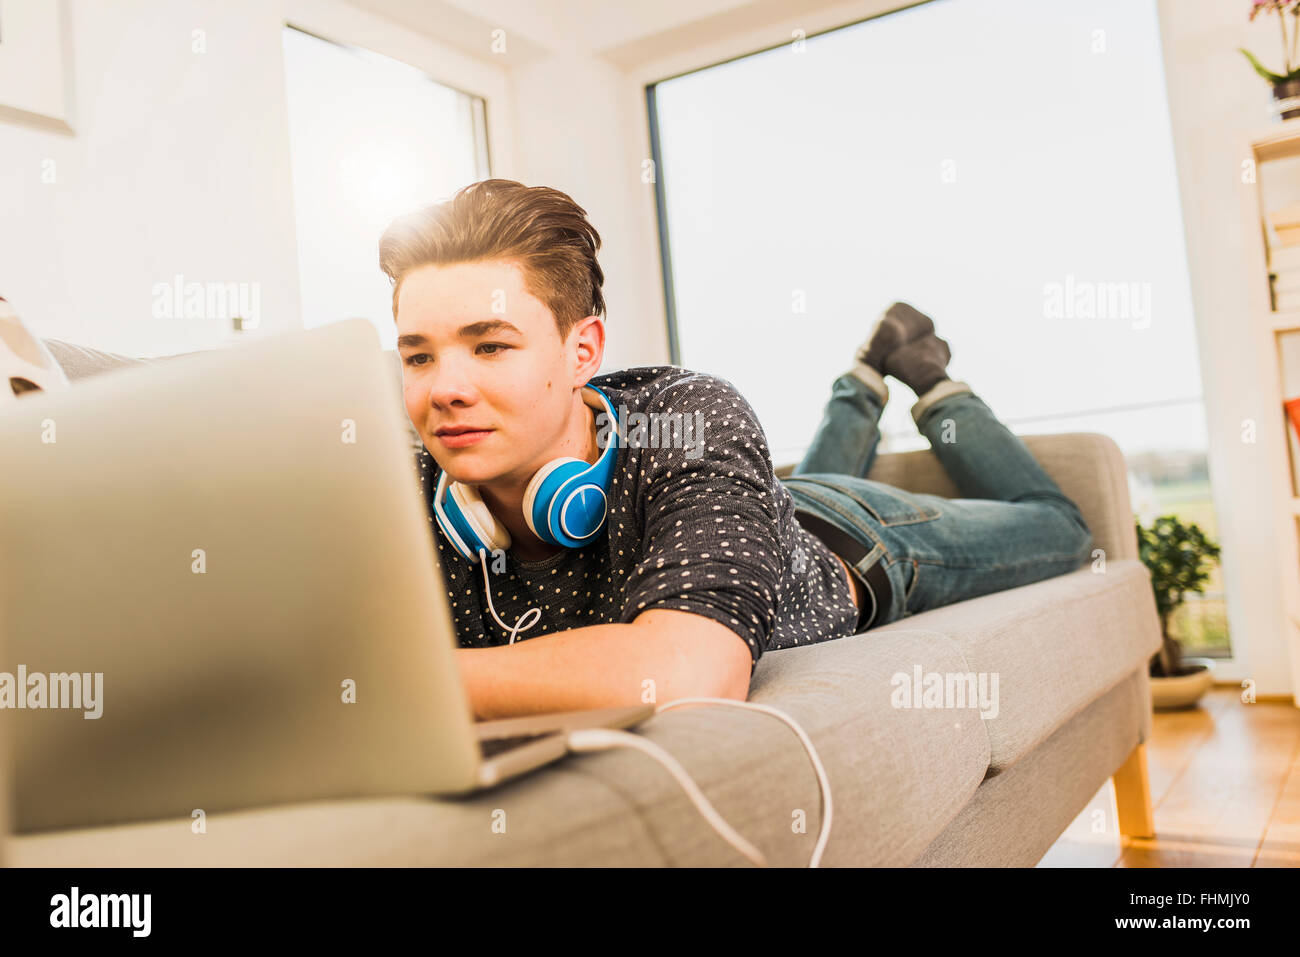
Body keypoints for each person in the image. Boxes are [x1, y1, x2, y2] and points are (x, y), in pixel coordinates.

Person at [379, 179, 1093, 721]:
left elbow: (692, 672)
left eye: (490, 345)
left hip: (855, 538)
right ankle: (862, 378)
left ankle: (929, 378)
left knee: (1061, 527)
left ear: (581, 351)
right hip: (761, 514)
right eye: (418, 357)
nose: (446, 389)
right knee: (786, 496)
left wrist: (400, 679)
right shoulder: (403, 487)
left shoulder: (688, 415)